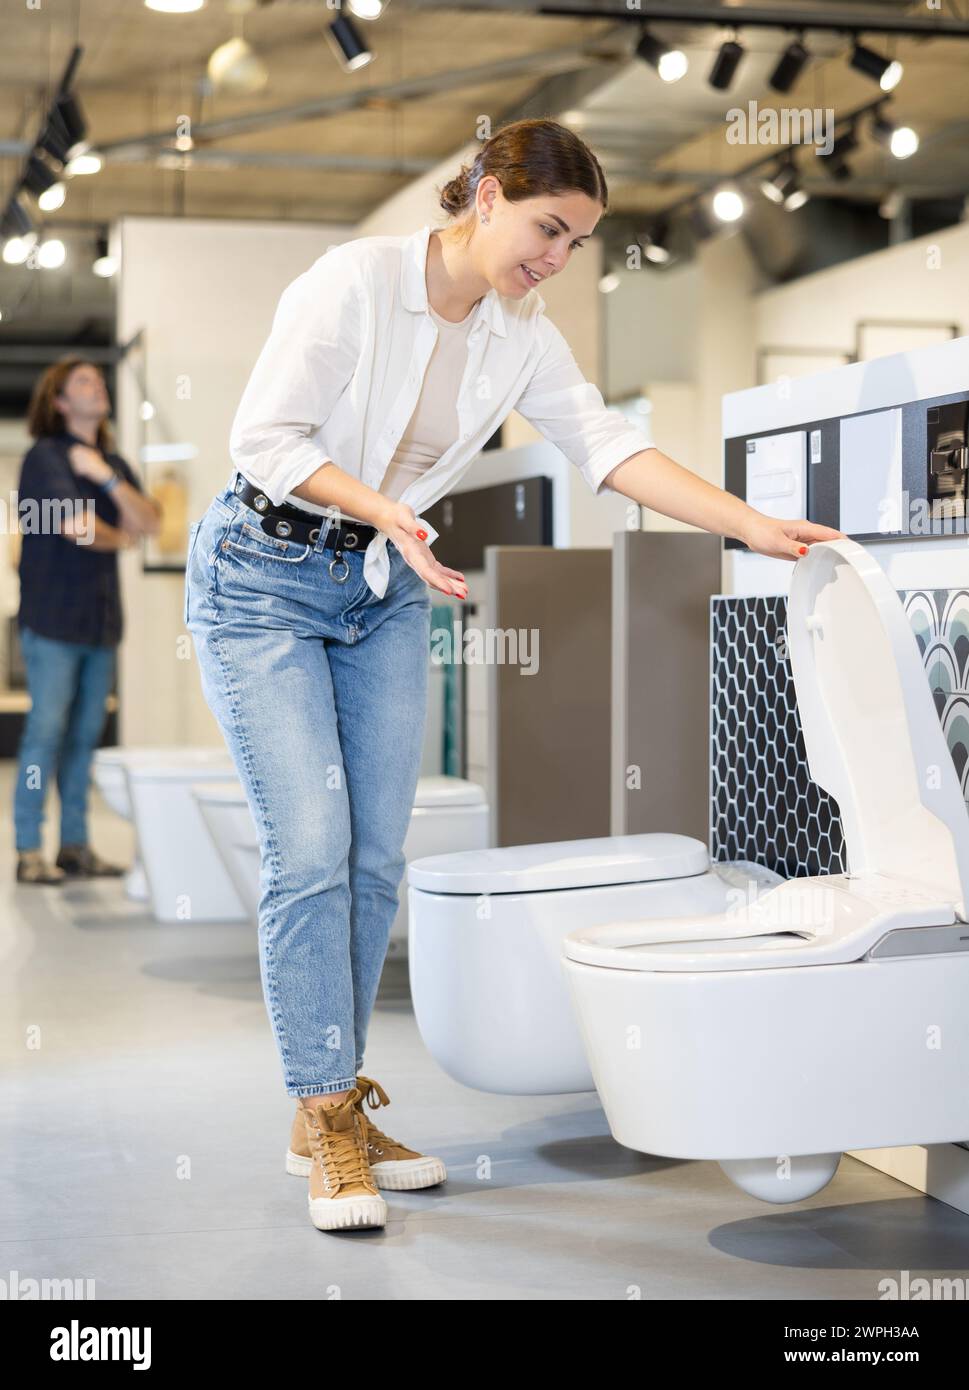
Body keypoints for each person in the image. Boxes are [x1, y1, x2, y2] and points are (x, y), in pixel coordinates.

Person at [185, 117, 845, 1235]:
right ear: (485, 196)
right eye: (548, 228)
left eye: (579, 243)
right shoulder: (350, 283)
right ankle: (324, 1117)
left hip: (383, 589)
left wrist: (746, 524)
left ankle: (332, 1101)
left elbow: (607, 445)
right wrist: (389, 507)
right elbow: (264, 440)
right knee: (309, 850)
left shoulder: (522, 334)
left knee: (374, 856)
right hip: (262, 575)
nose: (556, 257)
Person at [14, 357, 162, 884]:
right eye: (83, 382)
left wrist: (104, 477)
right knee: (45, 734)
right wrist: (119, 534)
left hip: (101, 625)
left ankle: (74, 847)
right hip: (52, 622)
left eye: (98, 380)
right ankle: (28, 848)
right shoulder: (44, 458)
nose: (96, 385)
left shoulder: (112, 461)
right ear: (59, 402)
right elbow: (78, 528)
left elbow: (151, 521)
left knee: (83, 738)